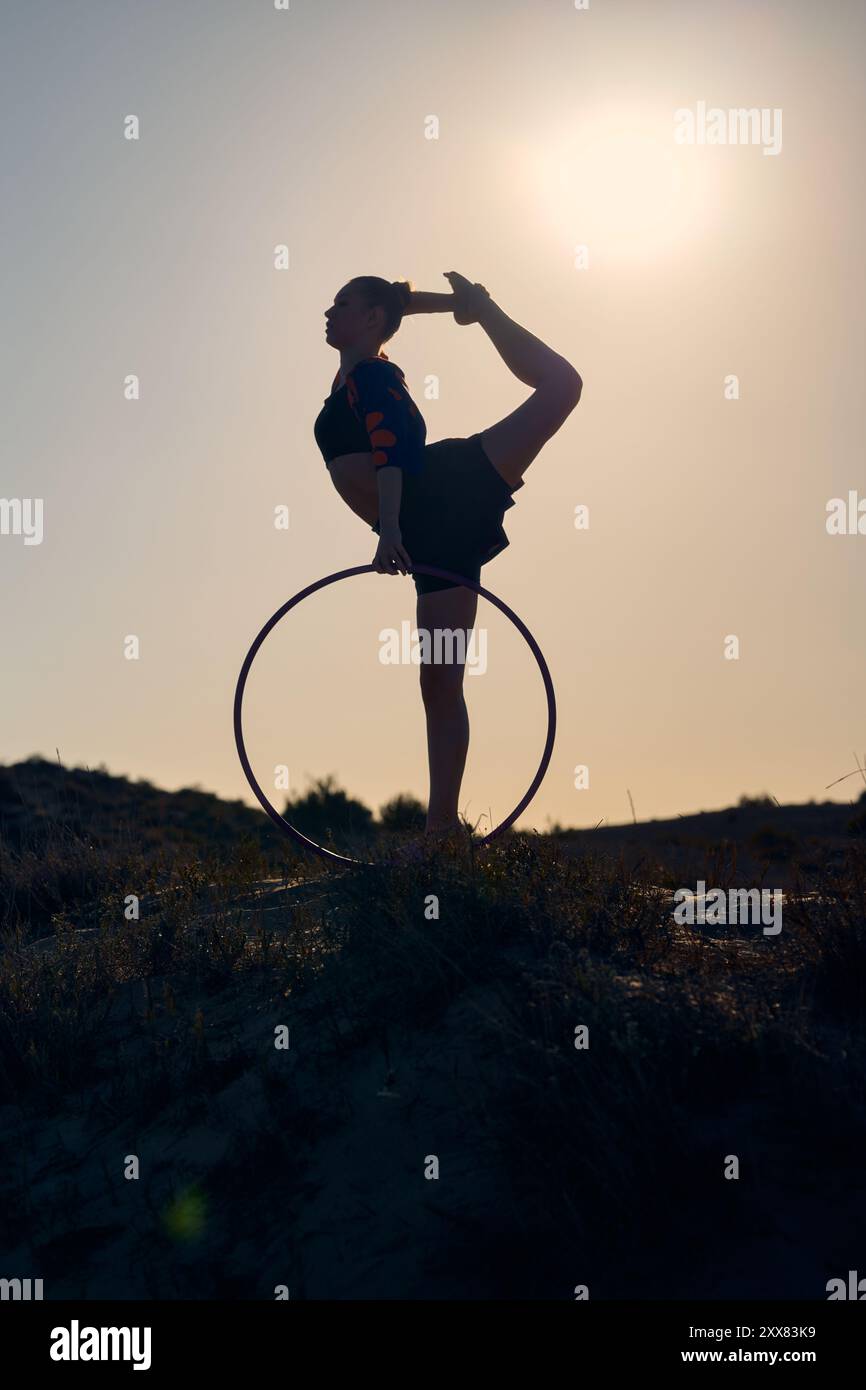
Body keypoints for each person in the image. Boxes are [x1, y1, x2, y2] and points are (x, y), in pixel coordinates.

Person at [314, 271, 582, 841]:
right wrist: (457, 301)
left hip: (447, 490)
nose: (329, 311)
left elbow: (393, 449)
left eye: (343, 304)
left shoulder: (374, 376)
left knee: (562, 386)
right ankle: (443, 831)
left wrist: (388, 527)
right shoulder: (352, 373)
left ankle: (440, 831)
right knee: (439, 683)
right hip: (435, 535)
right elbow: (399, 301)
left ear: (369, 321)